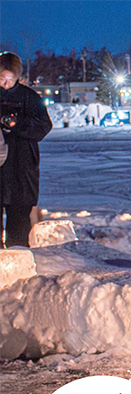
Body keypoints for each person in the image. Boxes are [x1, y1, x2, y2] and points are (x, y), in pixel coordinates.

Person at [0, 51, 52, 248]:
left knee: (19, 229)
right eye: (2, 79)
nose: (5, 84)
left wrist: (17, 124)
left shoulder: (29, 98)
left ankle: (19, 268)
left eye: (10, 79)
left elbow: (44, 127)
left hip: (21, 172)